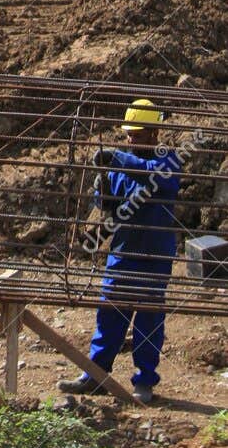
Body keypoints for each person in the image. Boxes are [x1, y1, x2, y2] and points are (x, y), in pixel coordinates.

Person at [60, 97, 181, 405]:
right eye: (129, 135)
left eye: (137, 135)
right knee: (110, 314)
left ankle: (144, 380)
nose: (131, 140)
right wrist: (102, 186)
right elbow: (107, 207)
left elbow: (151, 174)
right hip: (123, 253)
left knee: (148, 320)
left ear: (154, 134)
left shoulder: (167, 161)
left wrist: (114, 158)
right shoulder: (121, 166)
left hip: (154, 256)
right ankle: (96, 374)